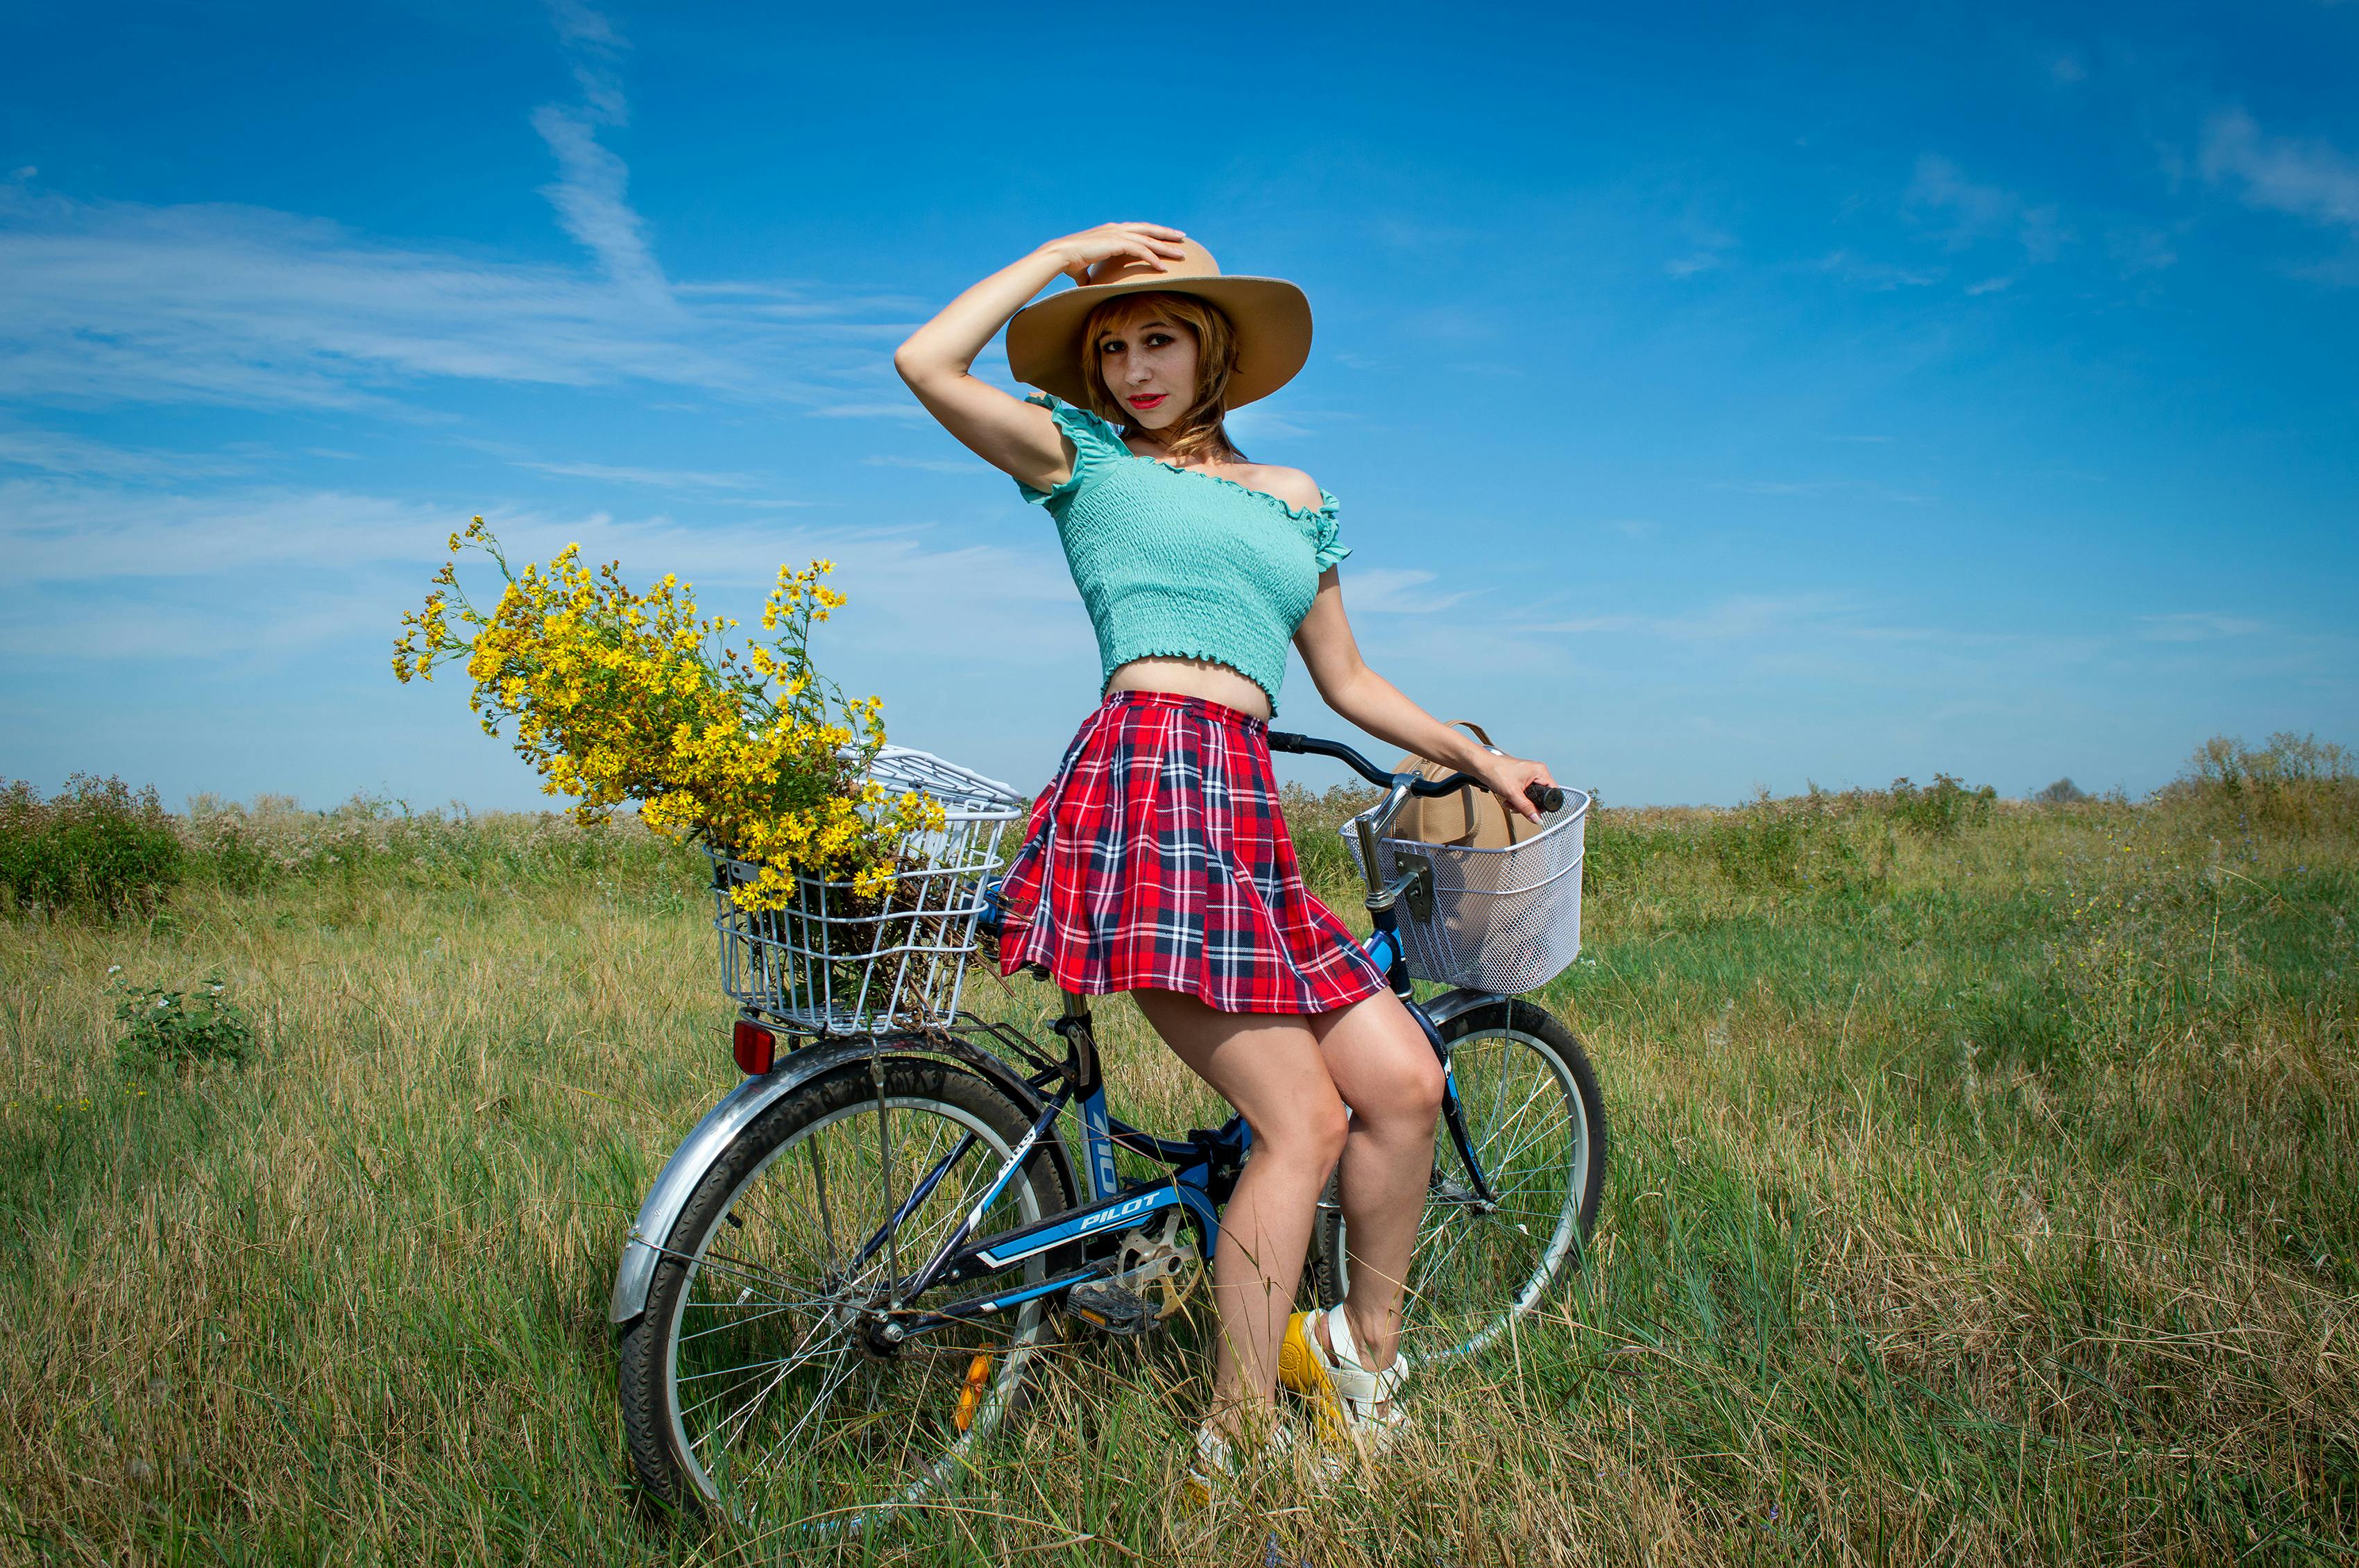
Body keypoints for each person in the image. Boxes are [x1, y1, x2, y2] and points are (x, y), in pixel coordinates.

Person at [894, 223, 1557, 1496]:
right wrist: (1063, 251)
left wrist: (1482, 760)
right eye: (1116, 347)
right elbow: (927, 362)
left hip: (1244, 808)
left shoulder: (1296, 500)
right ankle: (1234, 1445)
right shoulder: (1080, 459)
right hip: (1148, 787)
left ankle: (1357, 1362)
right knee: (1298, 1119)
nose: (1137, 368)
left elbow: (1350, 682)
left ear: (1215, 356)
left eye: (1162, 340)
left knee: (1406, 1084)